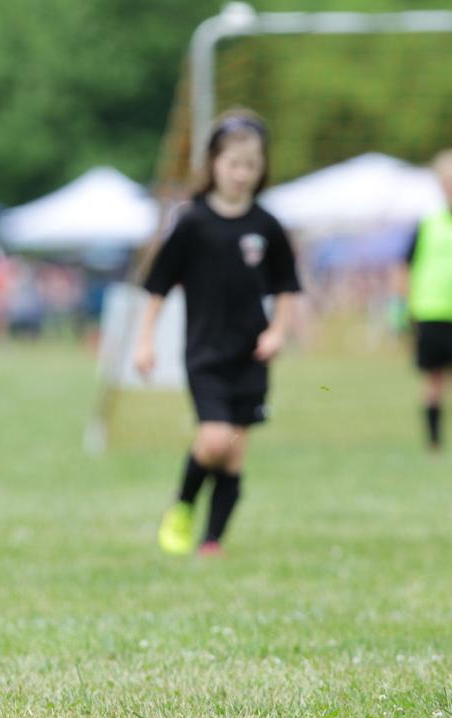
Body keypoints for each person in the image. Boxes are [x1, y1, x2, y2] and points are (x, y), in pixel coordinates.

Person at [133, 110, 300, 557]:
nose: (242, 174)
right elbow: (157, 286)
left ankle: (212, 543)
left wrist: (278, 332)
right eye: (233, 164)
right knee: (214, 439)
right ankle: (184, 504)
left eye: (251, 165)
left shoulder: (267, 226)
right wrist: (145, 340)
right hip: (205, 351)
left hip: (251, 354)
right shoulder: (192, 223)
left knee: (235, 450)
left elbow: (288, 286)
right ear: (213, 164)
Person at [401, 150, 452, 452]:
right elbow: (406, 266)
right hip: (432, 312)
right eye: (451, 182)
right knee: (433, 382)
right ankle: (434, 443)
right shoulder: (428, 223)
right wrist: (403, 306)